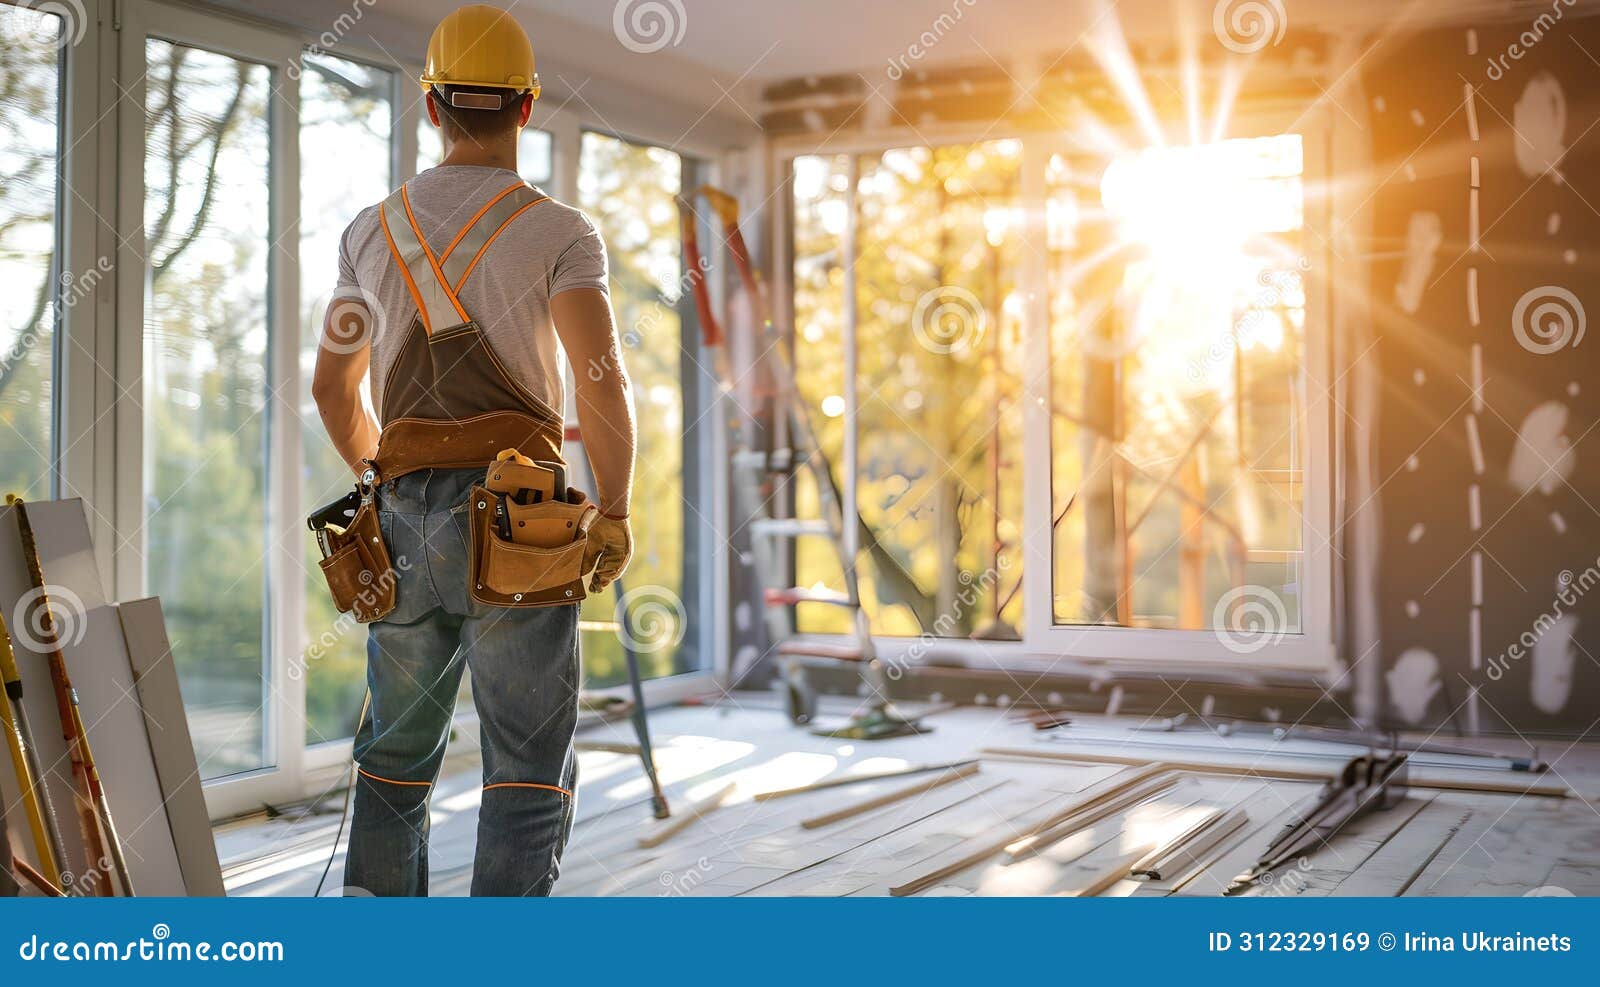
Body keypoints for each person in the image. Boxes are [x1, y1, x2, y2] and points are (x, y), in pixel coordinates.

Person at [311, 3, 635, 896]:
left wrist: (387, 482)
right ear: (525, 108)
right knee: (527, 770)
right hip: (523, 526)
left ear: (431, 108)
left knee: (395, 763)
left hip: (403, 514)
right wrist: (614, 509)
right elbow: (601, 380)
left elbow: (331, 391)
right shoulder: (561, 232)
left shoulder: (366, 234)